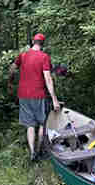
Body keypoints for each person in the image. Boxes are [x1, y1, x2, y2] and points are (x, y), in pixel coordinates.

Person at [9, 33, 60, 161]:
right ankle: (39, 151)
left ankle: (32, 153)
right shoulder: (44, 57)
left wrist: (10, 82)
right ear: (43, 44)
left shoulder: (23, 55)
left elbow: (12, 69)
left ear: (33, 41)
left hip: (23, 95)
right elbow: (48, 78)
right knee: (42, 123)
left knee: (30, 125)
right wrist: (54, 99)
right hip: (38, 95)